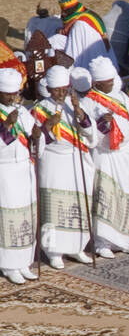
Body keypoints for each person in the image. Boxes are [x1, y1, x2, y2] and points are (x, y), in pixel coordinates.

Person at [33, 66, 97, 268]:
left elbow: (89, 132)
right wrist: (48, 125)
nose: (61, 94)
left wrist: (78, 111)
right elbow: (37, 140)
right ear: (50, 90)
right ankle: (54, 251)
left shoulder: (72, 104)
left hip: (75, 160)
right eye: (57, 90)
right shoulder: (39, 109)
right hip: (54, 162)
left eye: (64, 89)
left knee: (77, 205)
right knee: (55, 206)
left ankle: (77, 246)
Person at [79, 57, 129, 259]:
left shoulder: (120, 95)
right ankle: (103, 242)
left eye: (112, 79)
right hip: (105, 155)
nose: (112, 83)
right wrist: (103, 123)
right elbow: (89, 135)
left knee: (124, 195)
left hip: (124, 154)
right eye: (108, 81)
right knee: (106, 196)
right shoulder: (88, 102)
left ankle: (123, 239)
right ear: (97, 83)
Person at [0, 69, 37, 284]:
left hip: (23, 167)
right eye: (7, 94)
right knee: (9, 216)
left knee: (25, 215)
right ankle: (8, 264)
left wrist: (38, 134)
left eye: (14, 93)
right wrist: (5, 125)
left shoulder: (22, 111)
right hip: (5, 171)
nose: (12, 98)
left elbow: (32, 135)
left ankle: (24, 261)